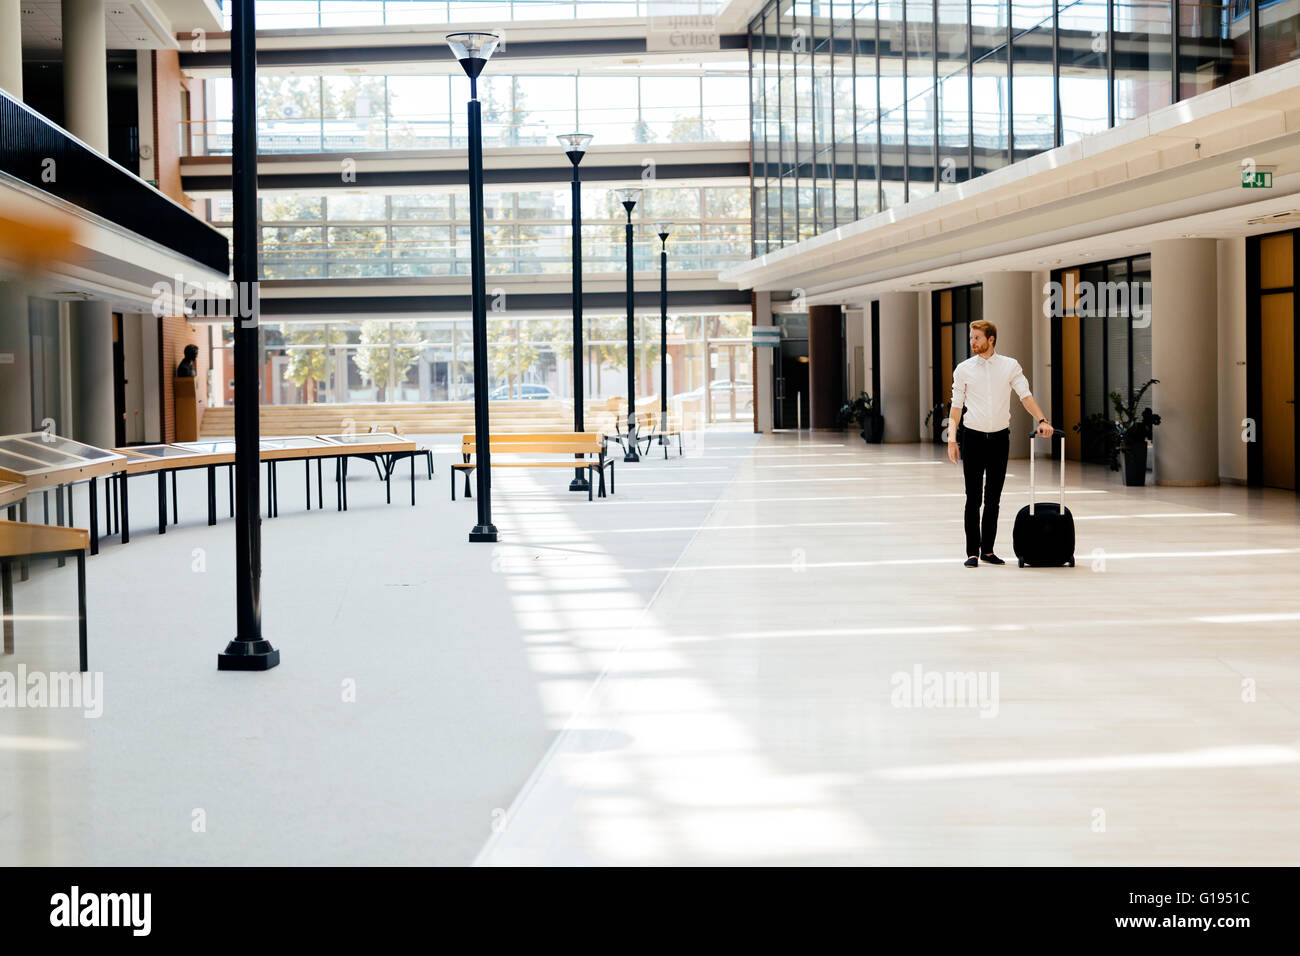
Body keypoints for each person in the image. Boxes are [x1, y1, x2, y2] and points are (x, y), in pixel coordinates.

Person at [947, 319, 1052, 568]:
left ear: (990, 339)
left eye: (977, 338)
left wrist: (1042, 419)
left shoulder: (1009, 366)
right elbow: (956, 407)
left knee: (993, 497)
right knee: (973, 498)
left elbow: (1025, 396)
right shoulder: (963, 369)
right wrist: (952, 439)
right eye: (971, 338)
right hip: (972, 438)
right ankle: (972, 552)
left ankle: (988, 550)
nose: (972, 342)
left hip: (999, 439)